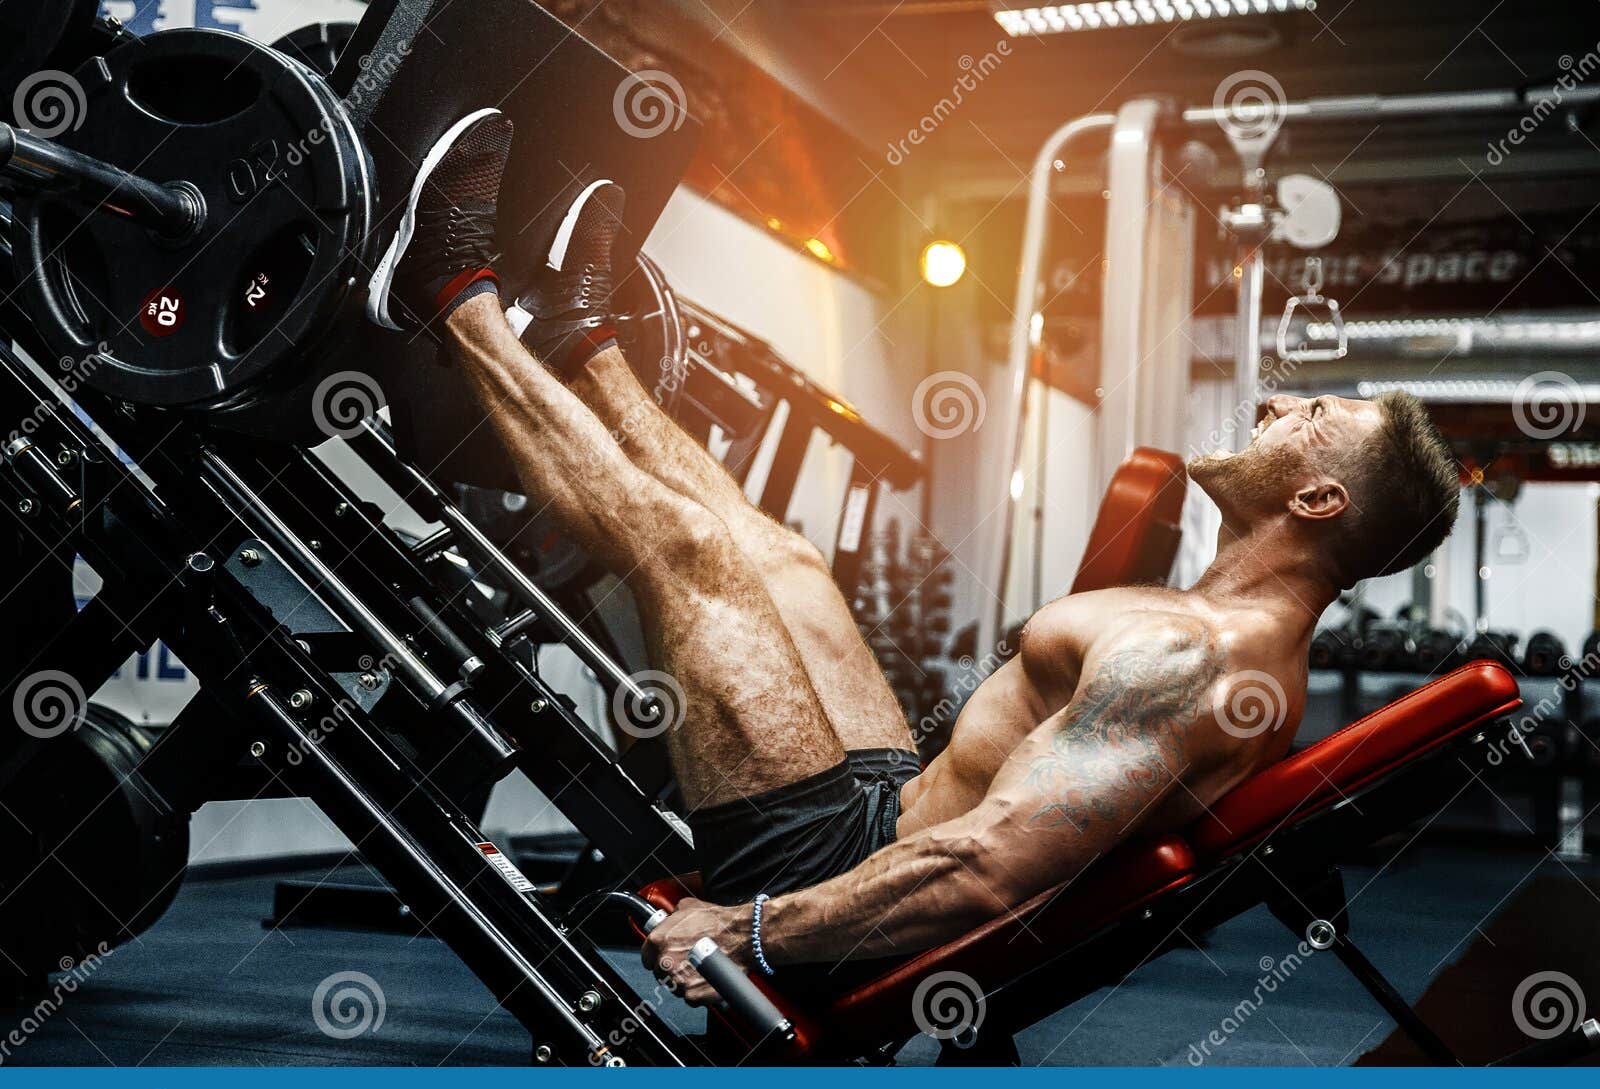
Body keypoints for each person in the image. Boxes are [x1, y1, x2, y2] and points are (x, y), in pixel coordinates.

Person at [366, 111, 1462, 1005]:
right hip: (883, 804)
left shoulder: (1198, 665)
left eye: (1309, 414)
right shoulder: (1216, 634)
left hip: (828, 870)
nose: (1273, 399)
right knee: (780, 555)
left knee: (689, 550)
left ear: (1318, 500)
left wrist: (752, 927)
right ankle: (582, 340)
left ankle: (446, 291)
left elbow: (988, 866)